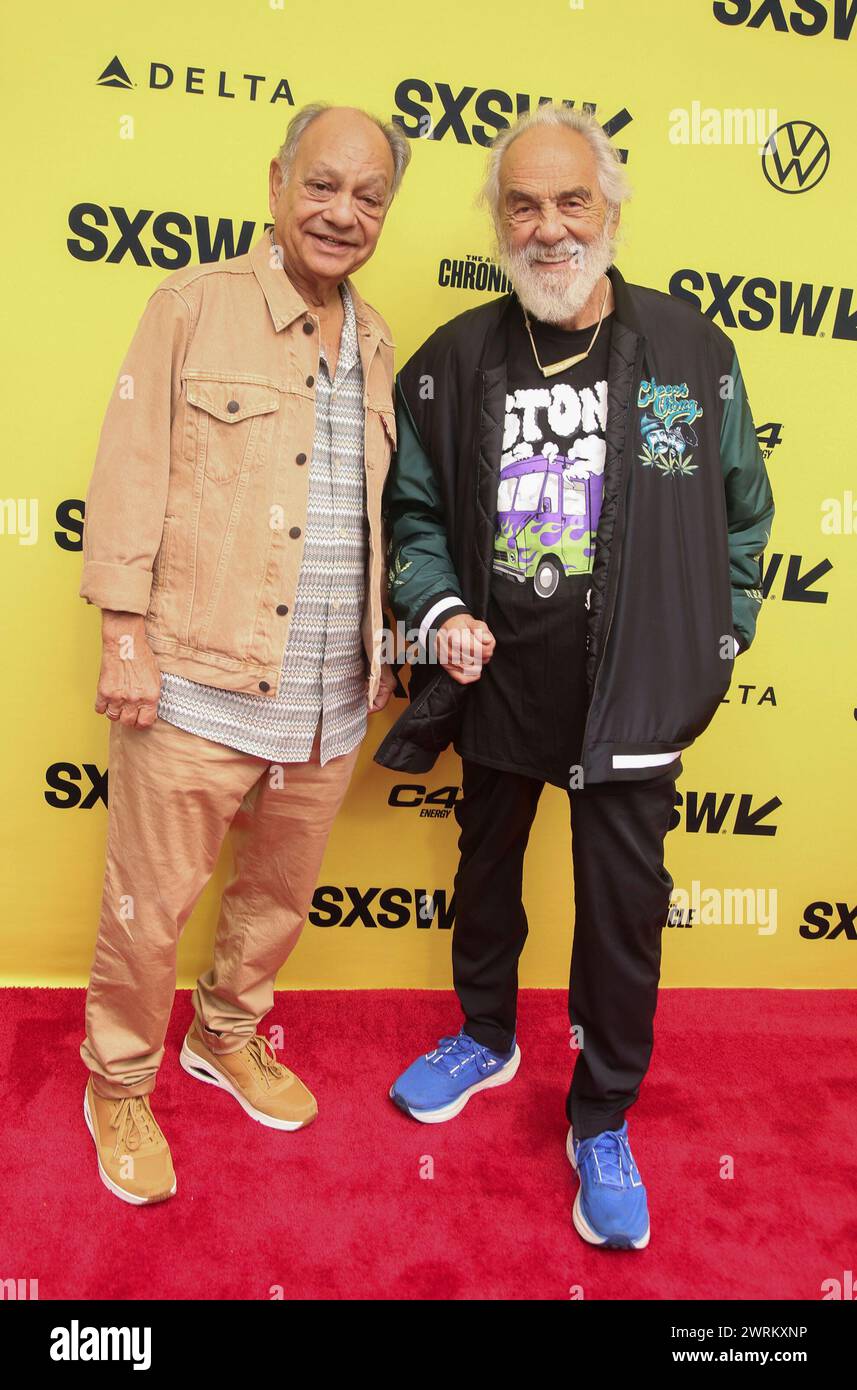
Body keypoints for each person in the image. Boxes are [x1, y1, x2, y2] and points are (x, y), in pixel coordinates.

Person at [376, 104, 774, 1250]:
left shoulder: (691, 350)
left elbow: (744, 519)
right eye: (522, 205)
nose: (548, 229)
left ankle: (599, 1114)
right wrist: (439, 608)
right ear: (498, 223)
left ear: (609, 210)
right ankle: (485, 1035)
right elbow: (410, 516)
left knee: (618, 918)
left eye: (570, 203)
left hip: (635, 685)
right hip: (499, 676)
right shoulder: (451, 361)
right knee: (484, 873)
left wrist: (719, 637)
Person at [78, 104, 408, 1205]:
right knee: (148, 906)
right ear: (275, 183)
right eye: (323, 185)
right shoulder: (190, 306)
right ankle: (117, 1081)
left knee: (274, 903)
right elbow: (130, 470)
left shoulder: (375, 339)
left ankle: (226, 1036)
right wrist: (124, 631)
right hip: (195, 681)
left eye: (367, 196)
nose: (341, 213)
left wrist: (391, 646)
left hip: (326, 697)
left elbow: (374, 513)